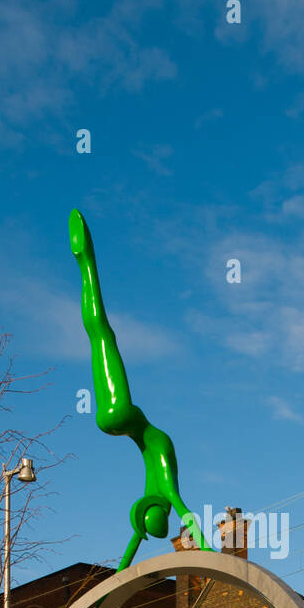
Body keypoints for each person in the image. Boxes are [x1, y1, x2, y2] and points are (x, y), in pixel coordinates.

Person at [69, 208, 209, 569]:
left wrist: (116, 577)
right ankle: (86, 261)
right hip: (114, 420)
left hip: (123, 415)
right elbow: (183, 513)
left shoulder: (157, 487)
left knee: (101, 333)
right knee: (97, 335)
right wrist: (207, 552)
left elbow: (147, 534)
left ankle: (87, 264)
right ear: (152, 514)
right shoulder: (162, 486)